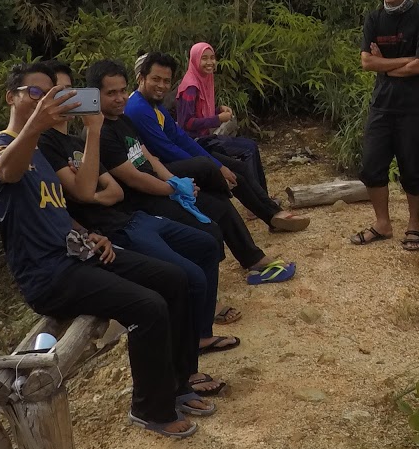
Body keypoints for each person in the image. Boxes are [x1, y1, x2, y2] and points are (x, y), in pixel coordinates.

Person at [0, 61, 216, 439]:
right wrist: (35, 126)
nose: (45, 101)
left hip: (79, 252)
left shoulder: (39, 156)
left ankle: (178, 385)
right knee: (148, 305)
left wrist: (89, 232)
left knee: (174, 279)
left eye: (51, 93)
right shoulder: (0, 148)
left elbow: (58, 210)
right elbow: (5, 172)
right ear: (11, 97)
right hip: (48, 275)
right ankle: (149, 409)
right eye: (35, 93)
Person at [33, 62, 236, 363]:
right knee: (185, 275)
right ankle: (185, 362)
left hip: (132, 218)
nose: (119, 98)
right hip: (115, 231)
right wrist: (96, 191)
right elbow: (83, 192)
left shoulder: (79, 141)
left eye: (67, 91)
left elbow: (113, 188)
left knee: (207, 242)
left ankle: (201, 334)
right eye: (54, 92)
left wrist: (170, 184)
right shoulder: (50, 143)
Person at [87, 59, 297, 288]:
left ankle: (254, 260)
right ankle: (205, 296)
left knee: (219, 204)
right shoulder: (104, 131)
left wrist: (174, 181)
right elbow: (134, 178)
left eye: (121, 91)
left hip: (160, 181)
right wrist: (174, 187)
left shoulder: (124, 119)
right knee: (209, 223)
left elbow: (149, 156)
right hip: (141, 199)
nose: (119, 98)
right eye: (111, 93)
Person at [127, 51, 309, 235]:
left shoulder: (154, 105)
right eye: (156, 79)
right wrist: (214, 168)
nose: (162, 86)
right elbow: (166, 148)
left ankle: (273, 214)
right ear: (141, 78)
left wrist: (218, 165)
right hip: (159, 169)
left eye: (166, 81)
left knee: (236, 168)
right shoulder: (138, 109)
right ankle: (271, 216)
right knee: (223, 175)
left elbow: (179, 137)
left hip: (179, 156)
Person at [350, 0, 419, 252]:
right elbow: (366, 62)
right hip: (382, 105)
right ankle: (383, 224)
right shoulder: (374, 19)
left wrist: (383, 65)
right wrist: (399, 63)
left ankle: (413, 224)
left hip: (413, 107)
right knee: (372, 166)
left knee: (413, 167)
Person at [175, 42, 290, 213]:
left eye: (212, 58)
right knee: (248, 150)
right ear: (194, 61)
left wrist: (218, 110)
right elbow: (187, 123)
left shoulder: (201, 80)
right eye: (204, 59)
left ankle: (262, 198)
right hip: (196, 142)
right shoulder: (191, 87)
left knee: (250, 146)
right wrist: (217, 119)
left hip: (204, 138)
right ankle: (259, 203)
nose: (209, 62)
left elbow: (199, 113)